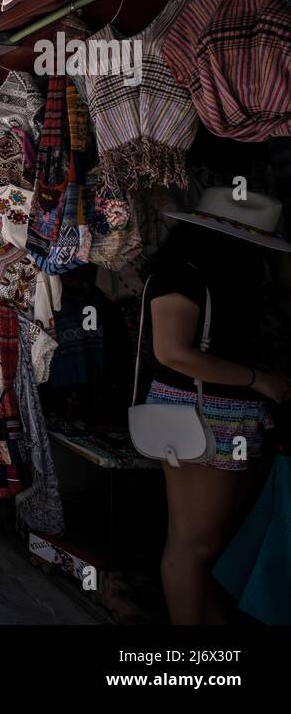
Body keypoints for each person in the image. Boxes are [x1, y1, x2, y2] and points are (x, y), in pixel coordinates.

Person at [141, 187, 291, 625]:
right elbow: (173, 353)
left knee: (209, 541)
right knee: (193, 543)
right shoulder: (181, 275)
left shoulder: (206, 275)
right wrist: (259, 379)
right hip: (198, 415)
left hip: (221, 417)